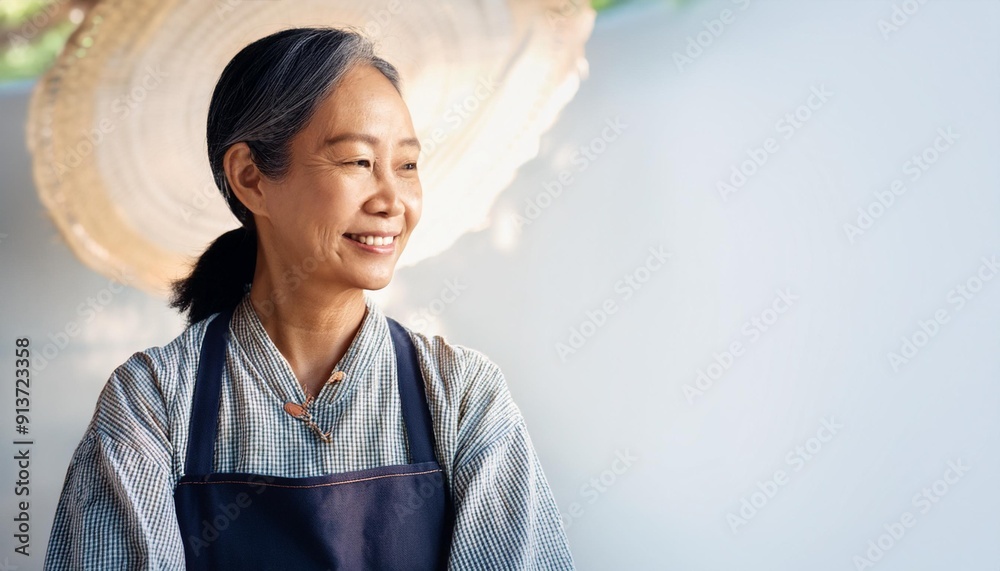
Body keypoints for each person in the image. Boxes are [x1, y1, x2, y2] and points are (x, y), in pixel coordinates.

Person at [43, 27, 575, 570]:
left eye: (408, 165)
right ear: (251, 179)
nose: (393, 200)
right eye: (357, 162)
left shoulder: (462, 398)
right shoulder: (151, 404)